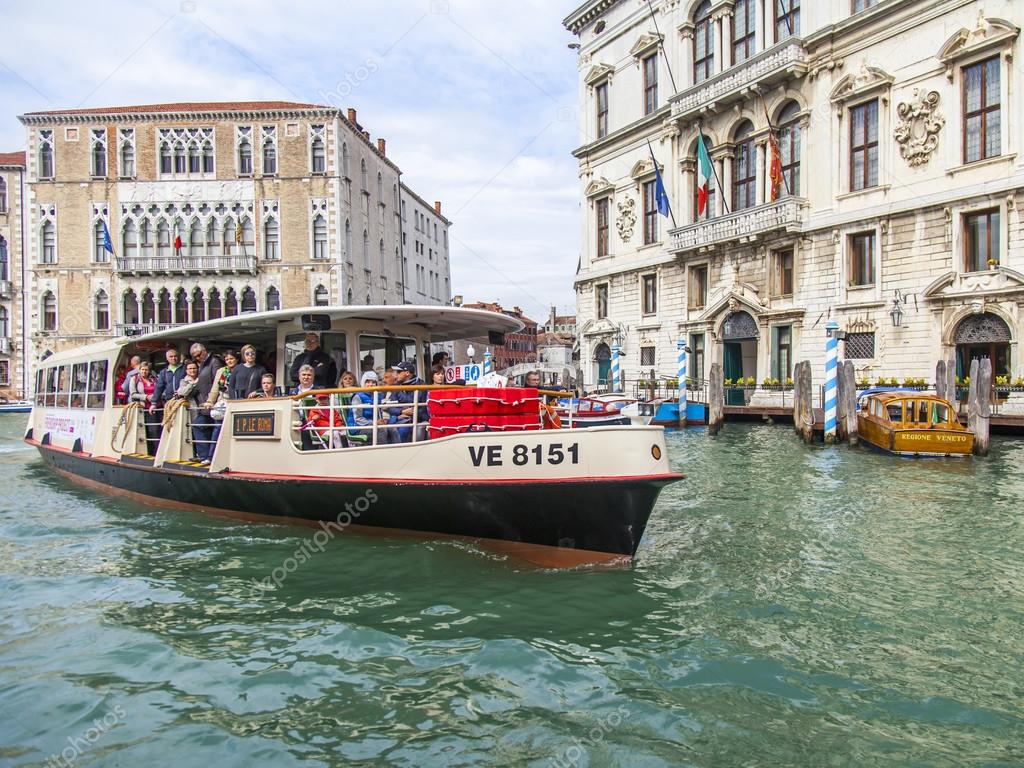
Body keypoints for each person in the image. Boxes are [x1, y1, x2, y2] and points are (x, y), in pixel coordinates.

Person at [189, 343, 224, 462]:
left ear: (204, 351)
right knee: (198, 426)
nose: (197, 358)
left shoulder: (214, 362)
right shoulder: (203, 364)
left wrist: (213, 400)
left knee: (215, 429)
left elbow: (218, 383)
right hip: (205, 405)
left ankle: (211, 457)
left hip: (214, 404)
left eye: (198, 355)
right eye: (195, 357)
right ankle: (204, 455)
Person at [292, 364, 329, 450]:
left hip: (312, 422)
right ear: (299, 376)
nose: (306, 377)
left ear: (313, 377)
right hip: (294, 421)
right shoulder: (292, 392)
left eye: (309, 375)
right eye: (304, 374)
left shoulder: (319, 390)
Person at [127, 361, 160, 455]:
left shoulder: (154, 379)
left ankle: (158, 451)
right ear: (139, 370)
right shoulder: (134, 379)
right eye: (142, 370)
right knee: (151, 430)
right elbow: (133, 394)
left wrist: (157, 396)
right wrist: (146, 397)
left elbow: (160, 389)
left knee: (158, 429)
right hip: (144, 407)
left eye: (146, 370)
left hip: (157, 406)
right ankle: (153, 452)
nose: (144, 372)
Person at [392, 361, 427, 443]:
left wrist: (411, 413)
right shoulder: (397, 386)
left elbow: (424, 409)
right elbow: (389, 407)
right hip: (400, 419)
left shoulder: (422, 386)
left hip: (418, 420)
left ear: (407, 373)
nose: (396, 374)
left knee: (404, 431)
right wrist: (401, 411)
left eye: (399, 372)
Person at [352, 370, 382, 443]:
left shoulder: (378, 395)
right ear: (363, 383)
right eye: (368, 382)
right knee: (382, 430)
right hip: (359, 427)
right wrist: (374, 422)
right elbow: (358, 419)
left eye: (373, 382)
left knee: (392, 429)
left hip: (375, 424)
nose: (371, 384)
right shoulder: (358, 397)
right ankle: (382, 453)